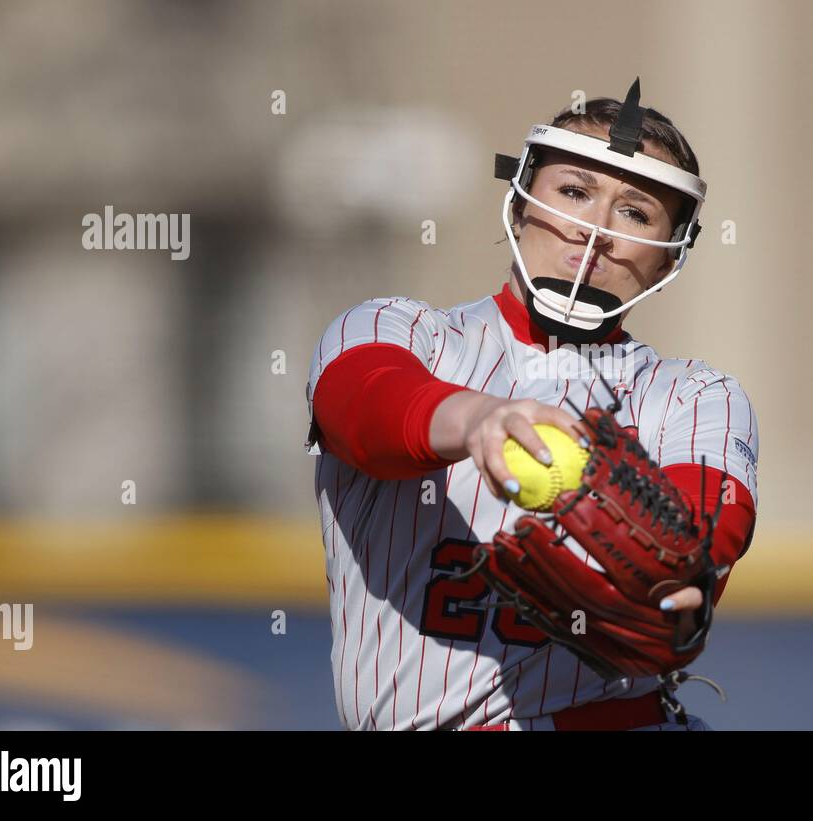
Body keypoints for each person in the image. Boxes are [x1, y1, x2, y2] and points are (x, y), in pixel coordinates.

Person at [306, 79, 759, 730]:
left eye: (635, 212)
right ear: (519, 202)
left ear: (668, 258)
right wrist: (479, 420)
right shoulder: (403, 331)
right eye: (574, 191)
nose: (595, 229)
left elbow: (704, 542)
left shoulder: (695, 393)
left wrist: (679, 595)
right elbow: (363, 406)